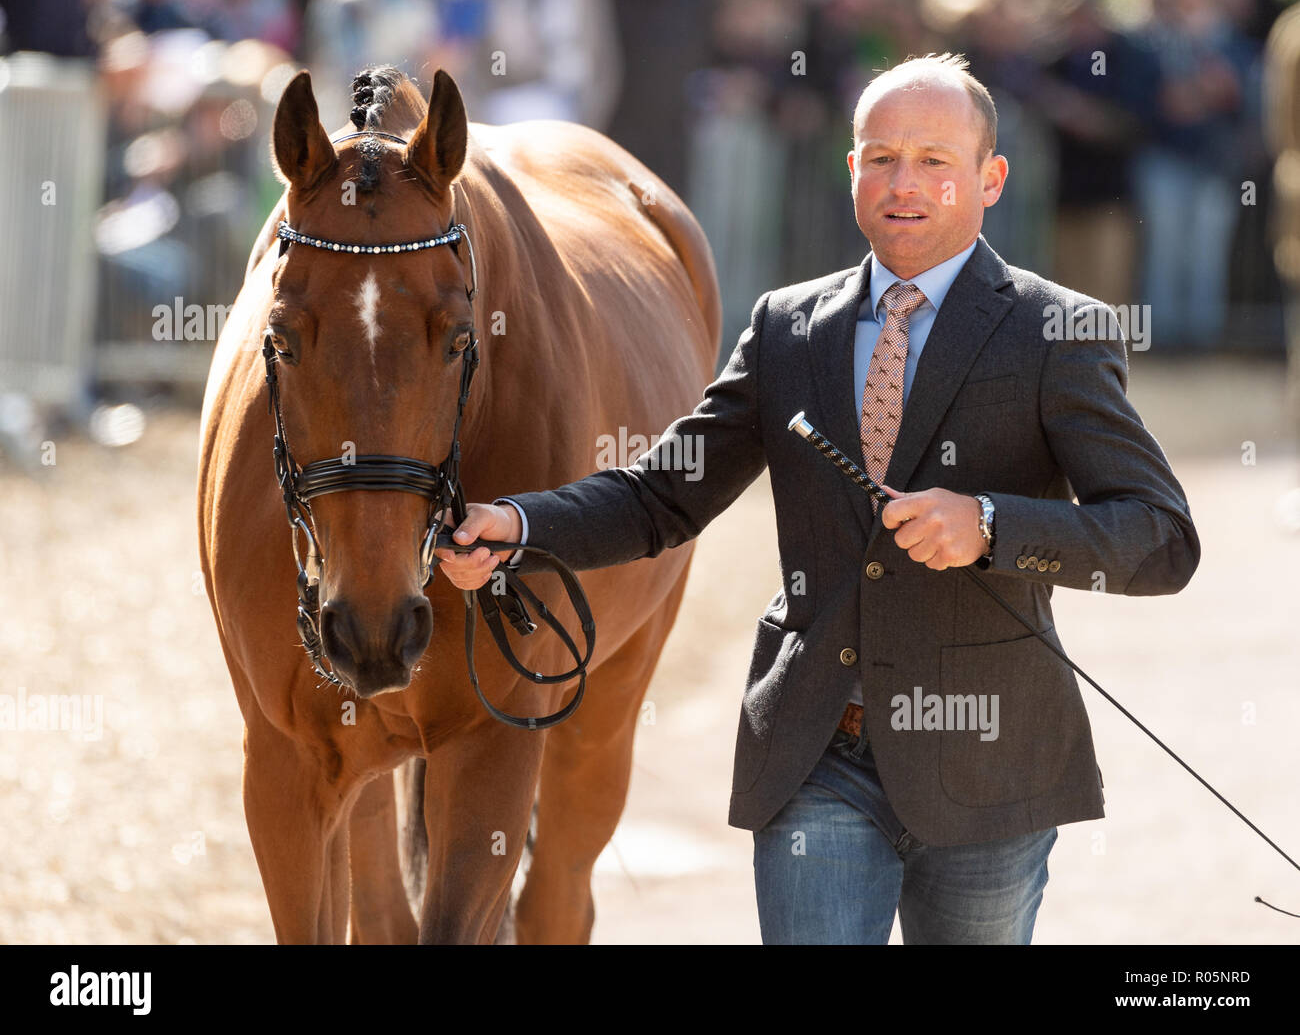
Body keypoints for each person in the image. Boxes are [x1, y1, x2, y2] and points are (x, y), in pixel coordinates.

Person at [435, 52, 1201, 944]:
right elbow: (658, 499)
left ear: (990, 179)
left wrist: (990, 526)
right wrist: (521, 525)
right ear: (851, 173)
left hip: (994, 765)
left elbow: (1159, 539)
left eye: (933, 162)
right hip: (813, 757)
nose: (903, 183)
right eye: (880, 158)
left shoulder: (1057, 332)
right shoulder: (785, 328)